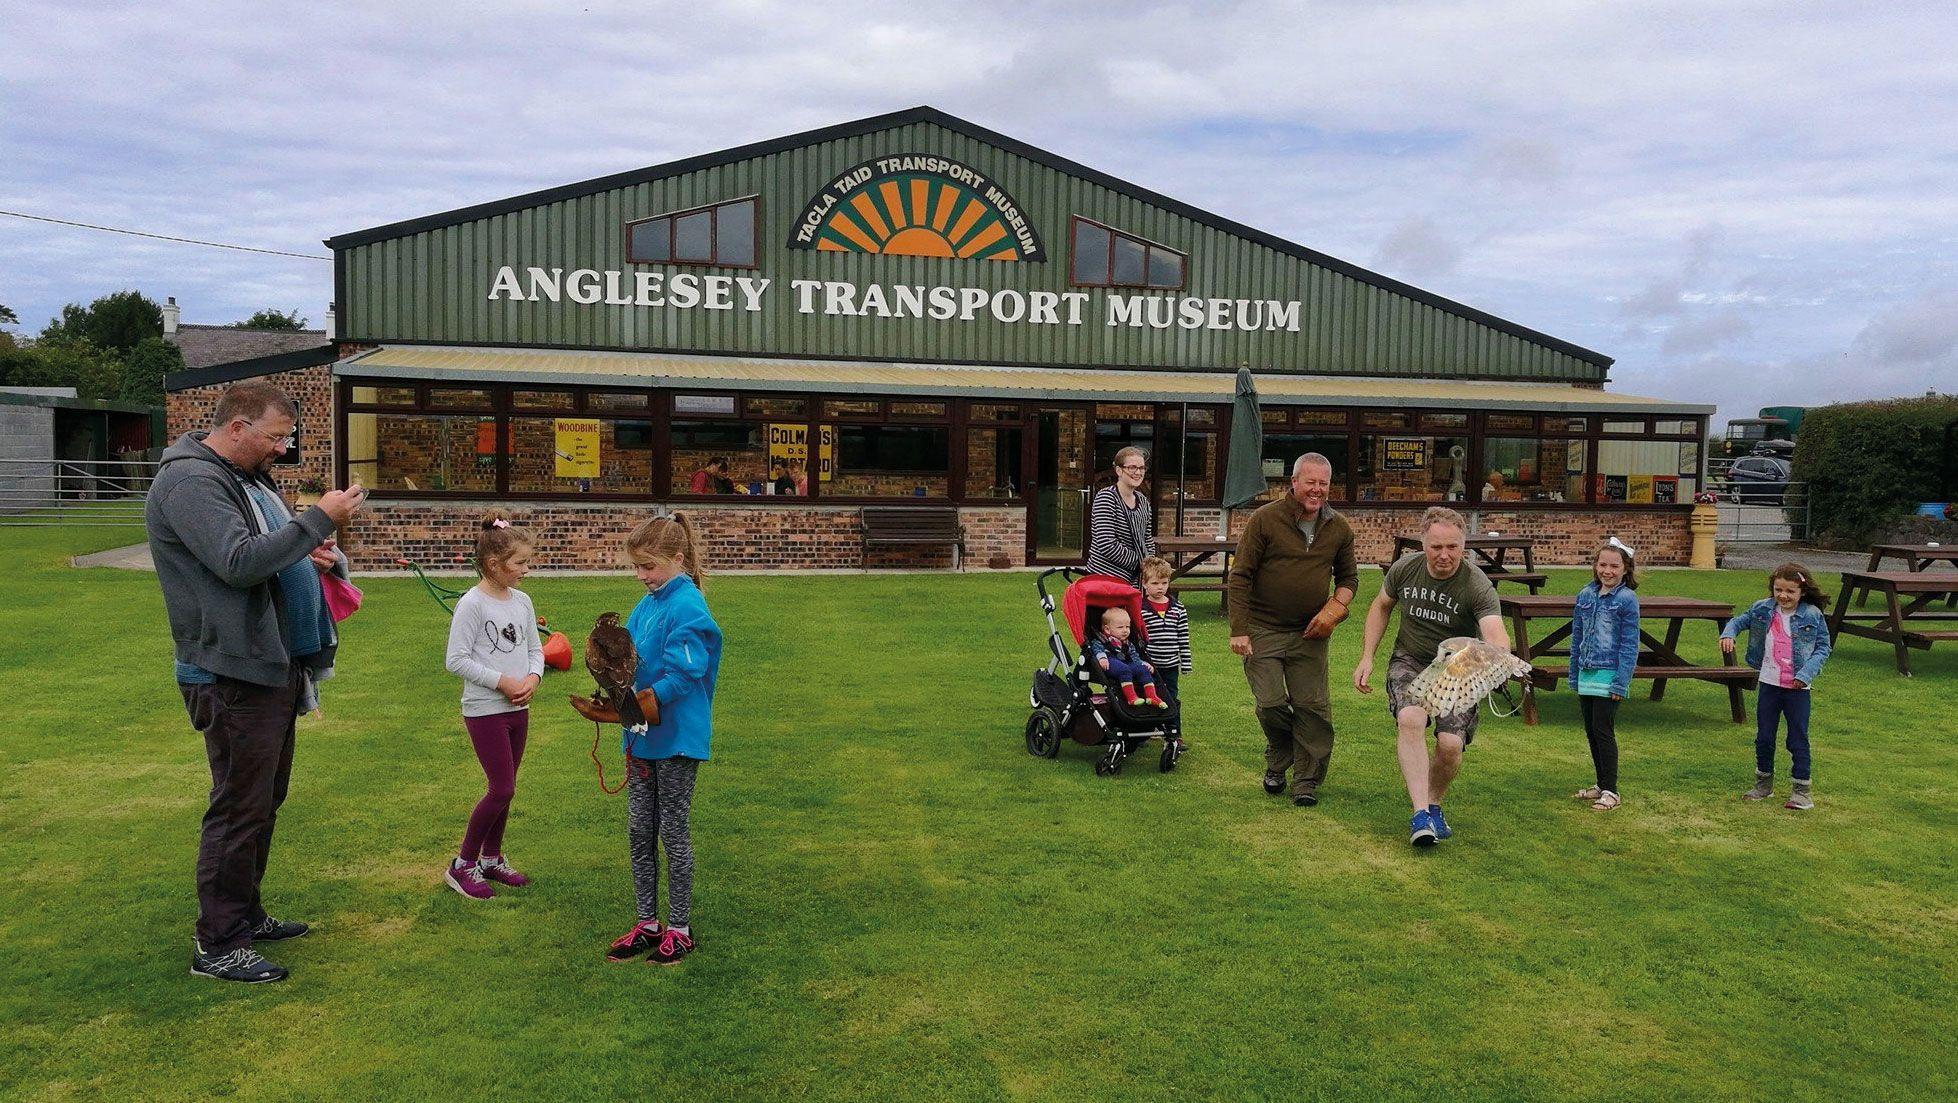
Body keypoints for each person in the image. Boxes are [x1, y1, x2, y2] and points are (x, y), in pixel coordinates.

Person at [144, 381, 366, 983]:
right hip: (229, 670)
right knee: (239, 806)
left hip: (271, 665)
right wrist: (319, 517)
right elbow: (238, 562)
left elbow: (268, 548)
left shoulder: (246, 476)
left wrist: (308, 551)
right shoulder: (192, 482)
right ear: (236, 427)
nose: (282, 449)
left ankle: (245, 914)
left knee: (264, 800)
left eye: (286, 437)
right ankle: (217, 944)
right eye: (274, 436)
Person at [605, 513, 723, 966]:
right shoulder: (646, 605)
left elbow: (685, 674)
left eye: (649, 566)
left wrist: (636, 704)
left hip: (676, 736)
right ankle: (647, 922)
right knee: (639, 829)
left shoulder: (688, 606)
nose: (641, 576)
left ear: (677, 559)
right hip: (641, 738)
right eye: (636, 567)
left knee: (671, 830)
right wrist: (613, 691)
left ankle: (679, 928)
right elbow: (628, 659)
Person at [1353, 505, 1507, 846]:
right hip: (1411, 658)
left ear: (1463, 546)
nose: (1444, 555)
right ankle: (1420, 814)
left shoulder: (1476, 584)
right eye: (1436, 547)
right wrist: (1367, 656)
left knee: (1450, 746)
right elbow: (1381, 606)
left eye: (1452, 547)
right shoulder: (1404, 569)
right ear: (1423, 545)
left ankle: (1434, 804)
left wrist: (1497, 659)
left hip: (1457, 669)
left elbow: (1496, 634)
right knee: (1410, 718)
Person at [1227, 453, 1359, 806]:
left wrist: (1336, 608)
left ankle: (1306, 781)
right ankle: (1279, 754)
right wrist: (1239, 630)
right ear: (1294, 483)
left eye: (1324, 484)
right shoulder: (1264, 520)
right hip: (1263, 628)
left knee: (1312, 707)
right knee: (1270, 703)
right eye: (1310, 482)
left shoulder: (1339, 528)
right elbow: (1240, 576)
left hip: (1310, 634)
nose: (1317, 490)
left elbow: (1349, 578)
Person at [441, 510, 545, 899]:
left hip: (519, 710)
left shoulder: (522, 602)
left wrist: (532, 678)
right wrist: (502, 681)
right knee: (500, 788)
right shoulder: (472, 604)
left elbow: (536, 649)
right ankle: (463, 864)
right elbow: (457, 660)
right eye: (520, 563)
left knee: (509, 787)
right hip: (485, 710)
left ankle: (492, 858)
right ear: (493, 564)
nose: (526, 570)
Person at [1723, 563, 1833, 810]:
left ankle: (1802, 791)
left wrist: (1805, 674)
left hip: (1797, 689)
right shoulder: (1762, 609)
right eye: (1778, 589)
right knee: (1764, 736)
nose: (1783, 596)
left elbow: (1823, 647)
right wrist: (1728, 634)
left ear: (1802, 592)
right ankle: (1763, 785)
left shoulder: (1812, 615)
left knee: (1797, 738)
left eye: (1790, 591)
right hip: (1769, 684)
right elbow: (1738, 622)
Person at [1568, 538, 1640, 812]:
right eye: (1602, 564)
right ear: (1595, 566)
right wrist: (1574, 674)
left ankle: (1611, 790)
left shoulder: (1626, 600)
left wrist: (1621, 681)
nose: (1607, 571)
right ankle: (1600, 783)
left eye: (1614, 566)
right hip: (1587, 673)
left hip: (1609, 675)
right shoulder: (1585, 595)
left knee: (1603, 729)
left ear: (1625, 569)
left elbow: (1629, 644)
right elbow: (1577, 636)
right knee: (1591, 730)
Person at [1085, 445, 1155, 583]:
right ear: (1119, 470)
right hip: (1105, 580)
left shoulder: (1143, 501)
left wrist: (1151, 564)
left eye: (1141, 468)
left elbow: (1147, 539)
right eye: (1132, 467)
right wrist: (1142, 562)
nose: (1138, 472)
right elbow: (1107, 544)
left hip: (1136, 581)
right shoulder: (1106, 498)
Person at [1085, 607, 1168, 709]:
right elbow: (1097, 648)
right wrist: (1102, 658)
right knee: (1123, 669)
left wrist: (1143, 663)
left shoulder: (1128, 644)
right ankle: (1131, 698)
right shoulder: (1102, 640)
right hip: (1110, 661)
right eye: (1120, 627)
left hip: (1126, 661)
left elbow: (1134, 657)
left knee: (1143, 669)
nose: (1125, 630)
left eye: (1127, 627)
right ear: (1107, 629)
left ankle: (1152, 696)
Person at [1138, 555, 1192, 703]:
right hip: (1150, 663)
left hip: (1171, 664)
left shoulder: (1178, 608)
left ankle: (1171, 724)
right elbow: (1138, 638)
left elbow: (1183, 637)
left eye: (1164, 583)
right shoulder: (1140, 609)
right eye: (1155, 583)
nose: (1160, 587)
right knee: (1150, 693)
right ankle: (1152, 723)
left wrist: (1186, 662)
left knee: (1171, 695)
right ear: (1144, 584)